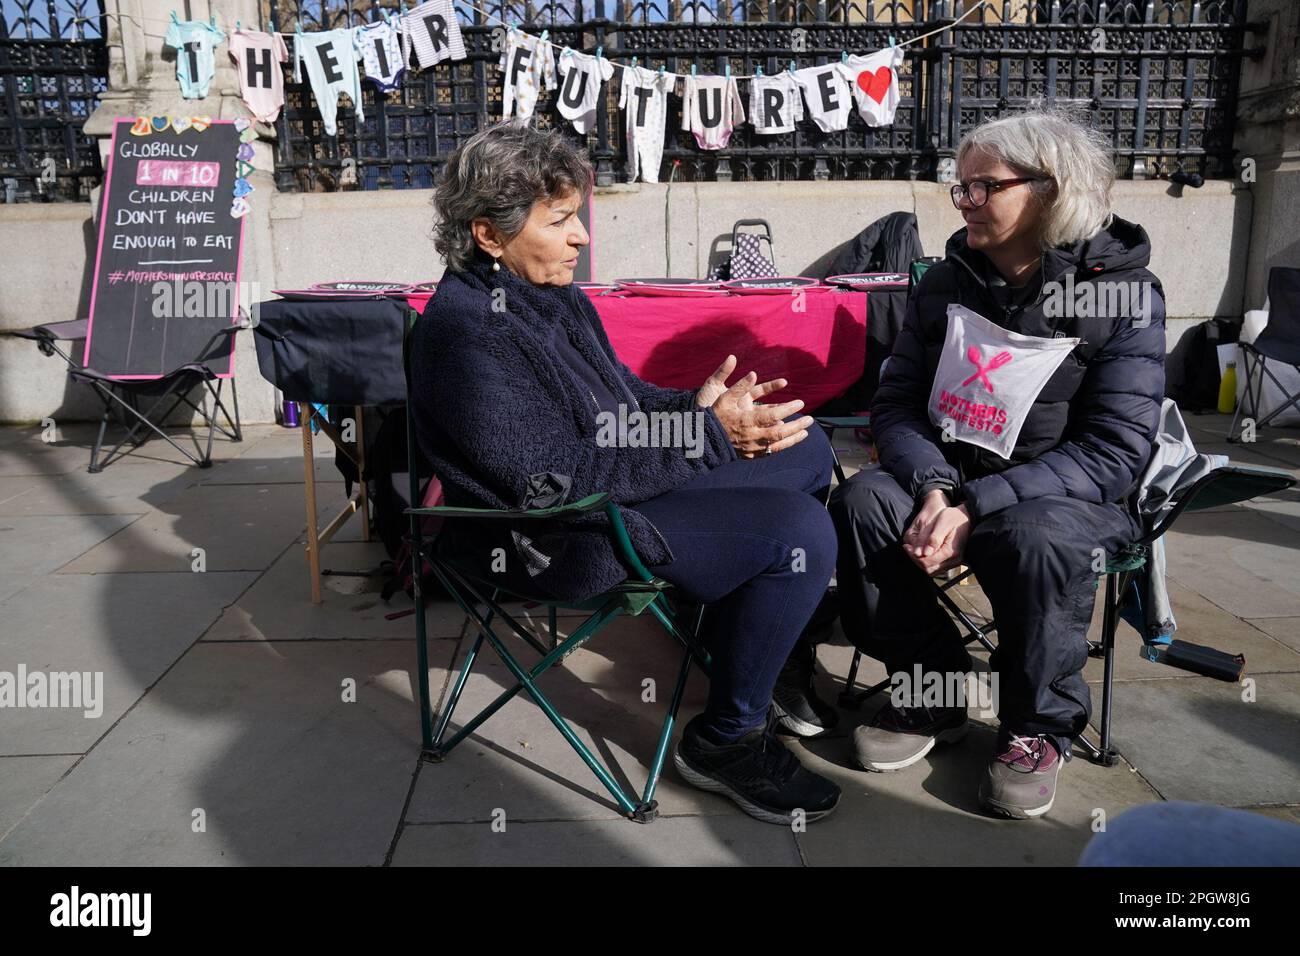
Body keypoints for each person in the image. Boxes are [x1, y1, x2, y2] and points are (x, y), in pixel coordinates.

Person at [411, 121, 841, 825]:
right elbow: (545, 479)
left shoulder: (552, 294)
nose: (582, 235)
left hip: (614, 490)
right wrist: (705, 438)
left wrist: (697, 407)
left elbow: (625, 403)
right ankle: (726, 741)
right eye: (560, 220)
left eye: (576, 214)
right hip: (561, 534)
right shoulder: (468, 333)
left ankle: (755, 645)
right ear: (489, 235)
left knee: (808, 447)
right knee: (799, 533)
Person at [829, 109, 1166, 819]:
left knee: (1035, 536)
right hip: (948, 478)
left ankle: (1038, 726)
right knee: (862, 504)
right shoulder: (945, 283)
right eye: (960, 188)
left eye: (983, 187)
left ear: (1052, 189)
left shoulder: (1121, 295)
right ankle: (935, 688)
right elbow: (895, 407)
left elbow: (1114, 453)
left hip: (1066, 496)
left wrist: (977, 506)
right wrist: (935, 488)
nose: (964, 203)